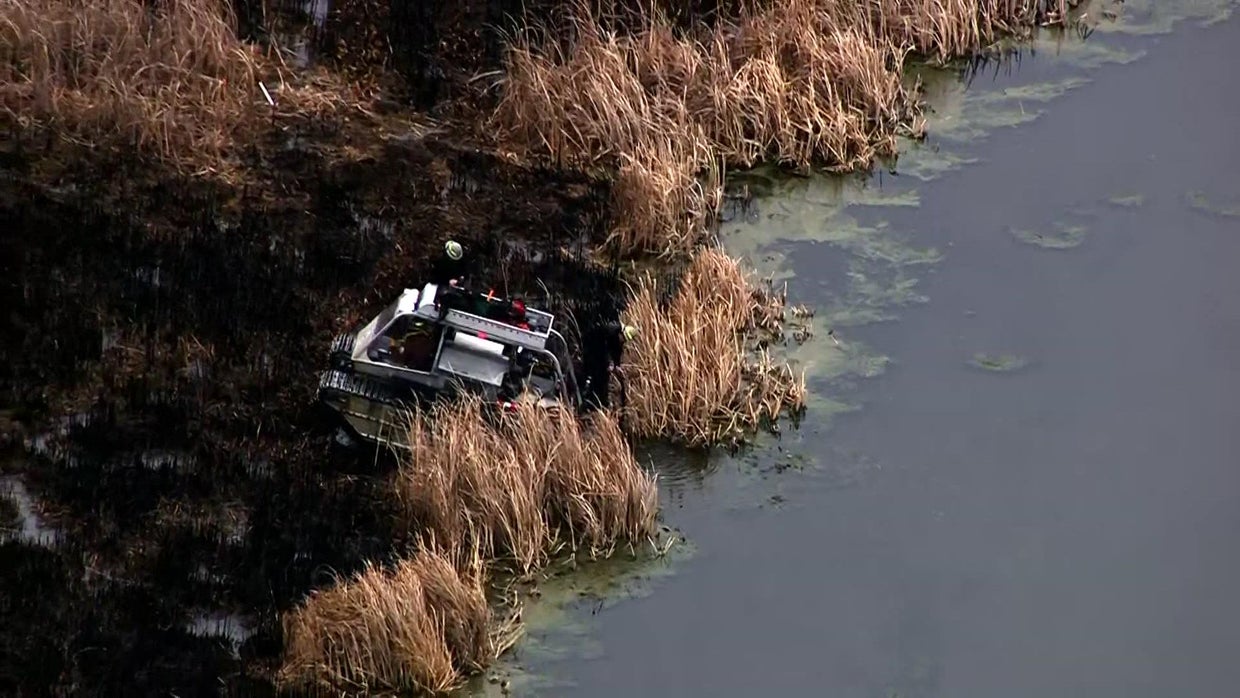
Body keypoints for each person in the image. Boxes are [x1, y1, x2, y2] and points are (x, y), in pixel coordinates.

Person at [580, 320, 638, 411]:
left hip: (599, 351)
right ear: (621, 332)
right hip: (592, 347)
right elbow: (603, 348)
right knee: (596, 374)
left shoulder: (618, 338)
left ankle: (600, 402)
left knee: (603, 378)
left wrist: (617, 365)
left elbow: (617, 351)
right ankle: (587, 400)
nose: (622, 340)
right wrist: (608, 363)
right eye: (622, 337)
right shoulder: (610, 330)